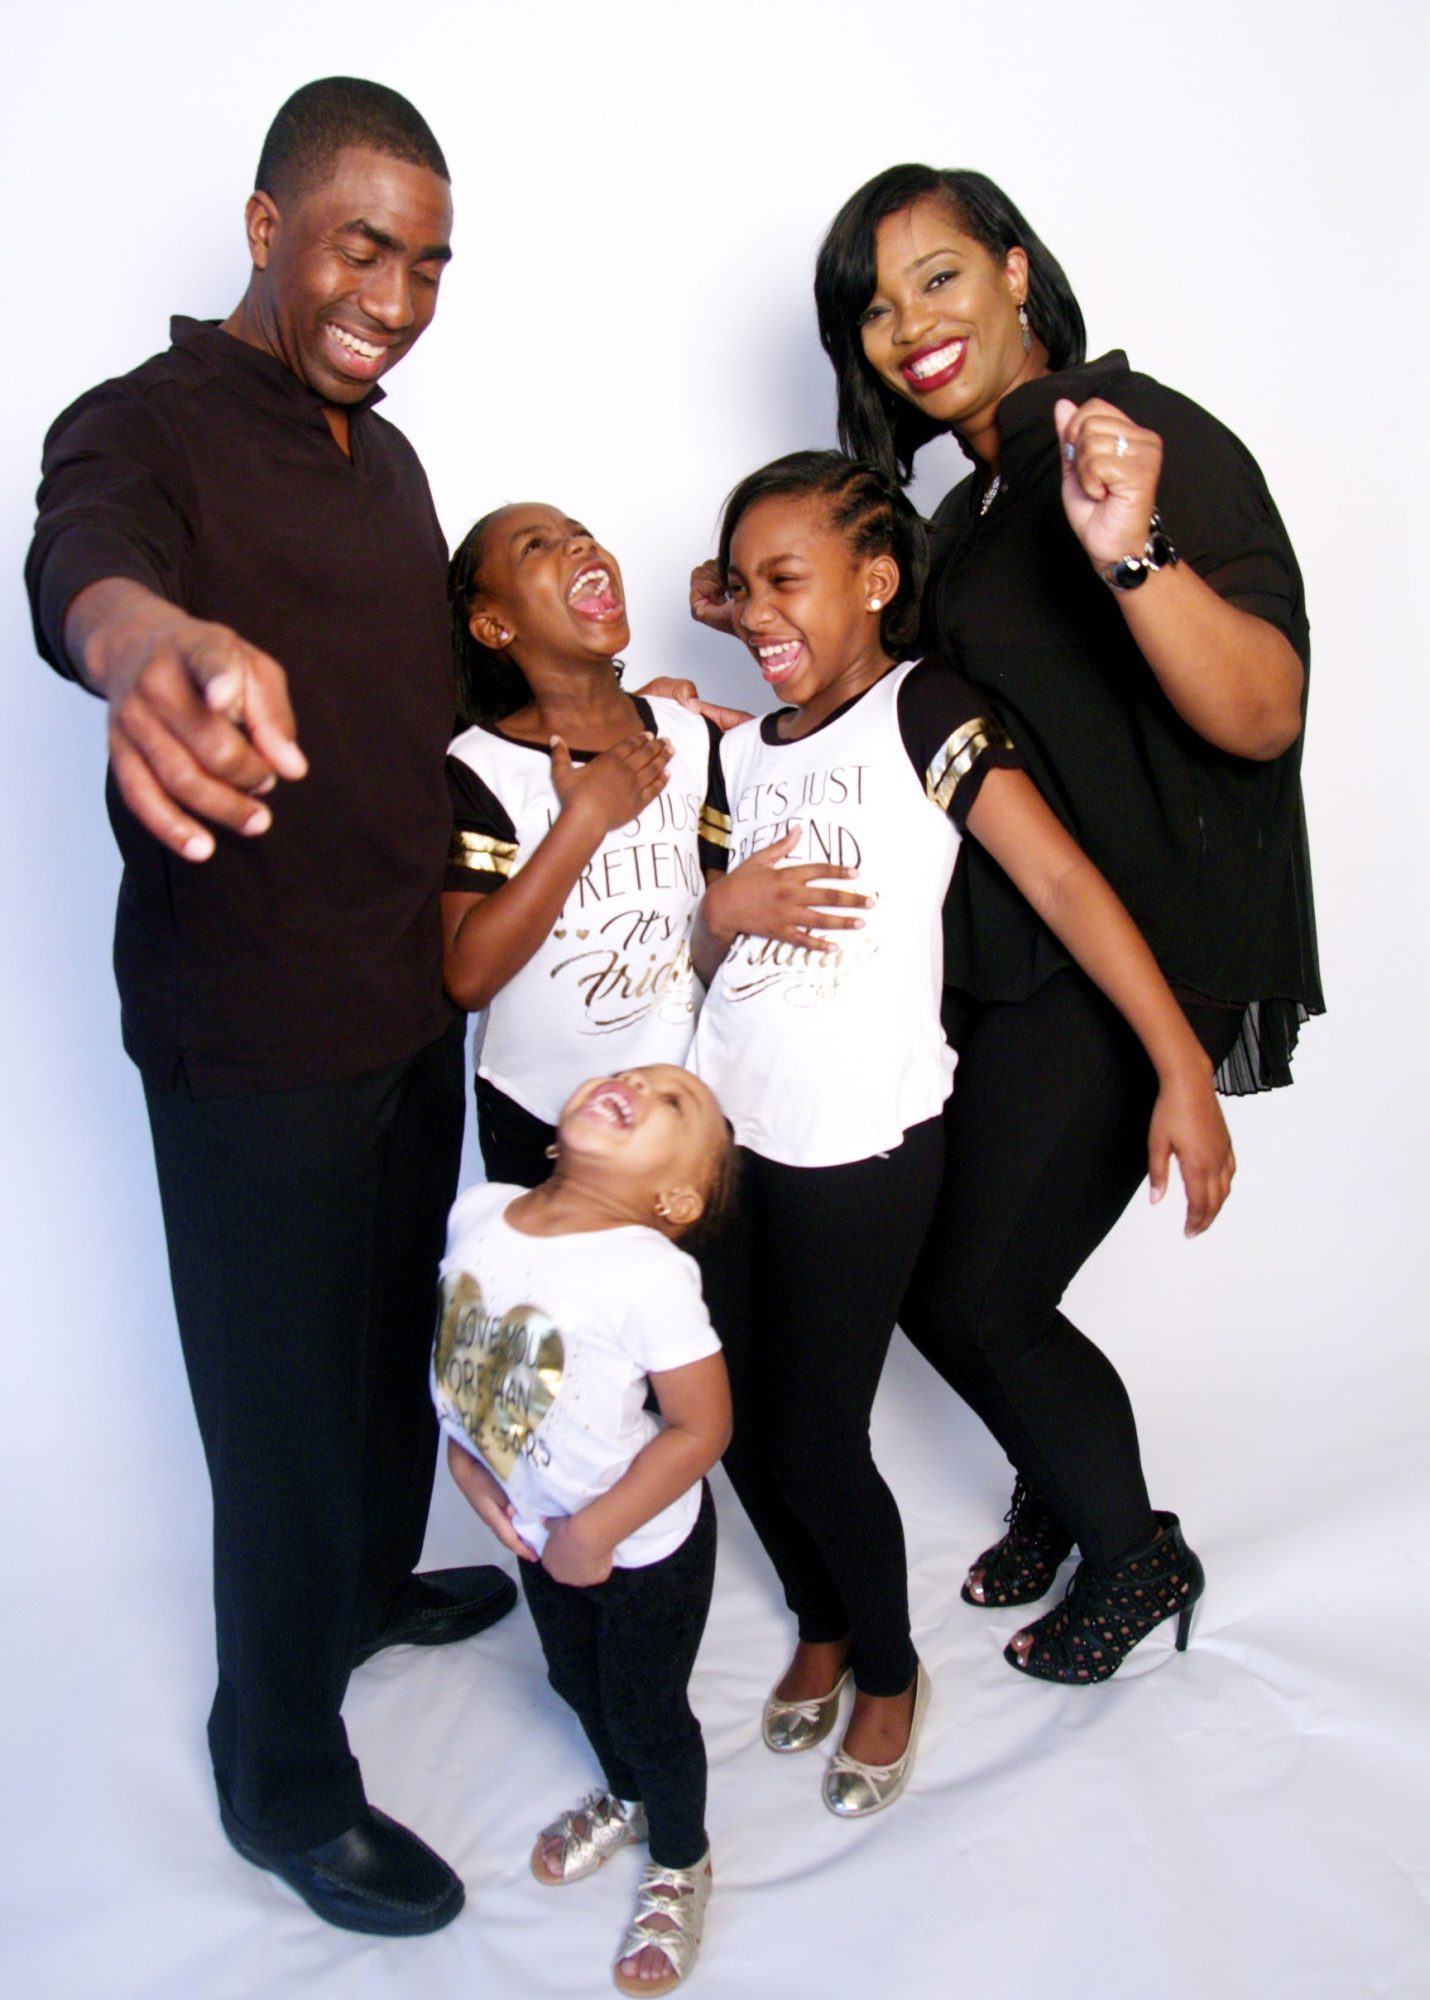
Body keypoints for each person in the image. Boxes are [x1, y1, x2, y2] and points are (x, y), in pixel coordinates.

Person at [22, 79, 517, 1934]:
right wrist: (146, 643)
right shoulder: (140, 423)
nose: (395, 296)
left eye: (428, 263)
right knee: (280, 1418)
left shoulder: (386, 461)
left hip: (407, 1007)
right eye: (359, 247)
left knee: (387, 1354)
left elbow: (415, 708)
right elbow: (81, 562)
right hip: (249, 1043)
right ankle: (280, 1778)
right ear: (264, 229)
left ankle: (362, 1593)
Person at [797, 164, 1321, 1683]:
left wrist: (1129, 549)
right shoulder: (970, 506)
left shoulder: (1134, 439)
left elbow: (1263, 712)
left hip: (1131, 945)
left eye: (939, 277)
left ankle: (1134, 1549)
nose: (909, 325)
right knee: (929, 1263)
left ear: (1015, 272)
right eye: (874, 308)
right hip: (1016, 948)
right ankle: (1056, 1472)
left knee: (976, 1289)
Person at [688, 451, 1232, 1815]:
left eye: (786, 579)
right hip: (720, 1131)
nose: (757, 611)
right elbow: (702, 958)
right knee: (731, 1423)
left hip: (854, 1143)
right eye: (739, 586)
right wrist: (714, 915)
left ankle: (886, 1667)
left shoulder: (921, 707)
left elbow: (1059, 878)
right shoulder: (735, 752)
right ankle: (819, 1620)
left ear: (877, 580)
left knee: (816, 1438)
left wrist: (1181, 1064)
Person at [435, 1063, 735, 1994]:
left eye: (674, 1102)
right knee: (573, 1678)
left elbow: (702, 1429)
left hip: (640, 1547)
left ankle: (680, 1859)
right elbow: (468, 1349)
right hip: (536, 1529)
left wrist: (594, 1533)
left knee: (647, 1709)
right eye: (632, 1073)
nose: (636, 1083)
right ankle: (628, 1796)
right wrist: (465, 1464)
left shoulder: (649, 1274)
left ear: (674, 1199)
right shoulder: (480, 1210)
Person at [443, 503, 727, 1187]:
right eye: (537, 546)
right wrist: (586, 818)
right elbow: (467, 978)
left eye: (581, 534)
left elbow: (715, 929)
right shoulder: (479, 765)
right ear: (494, 625)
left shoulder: (689, 735)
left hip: (678, 1103)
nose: (578, 546)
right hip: (540, 1116)